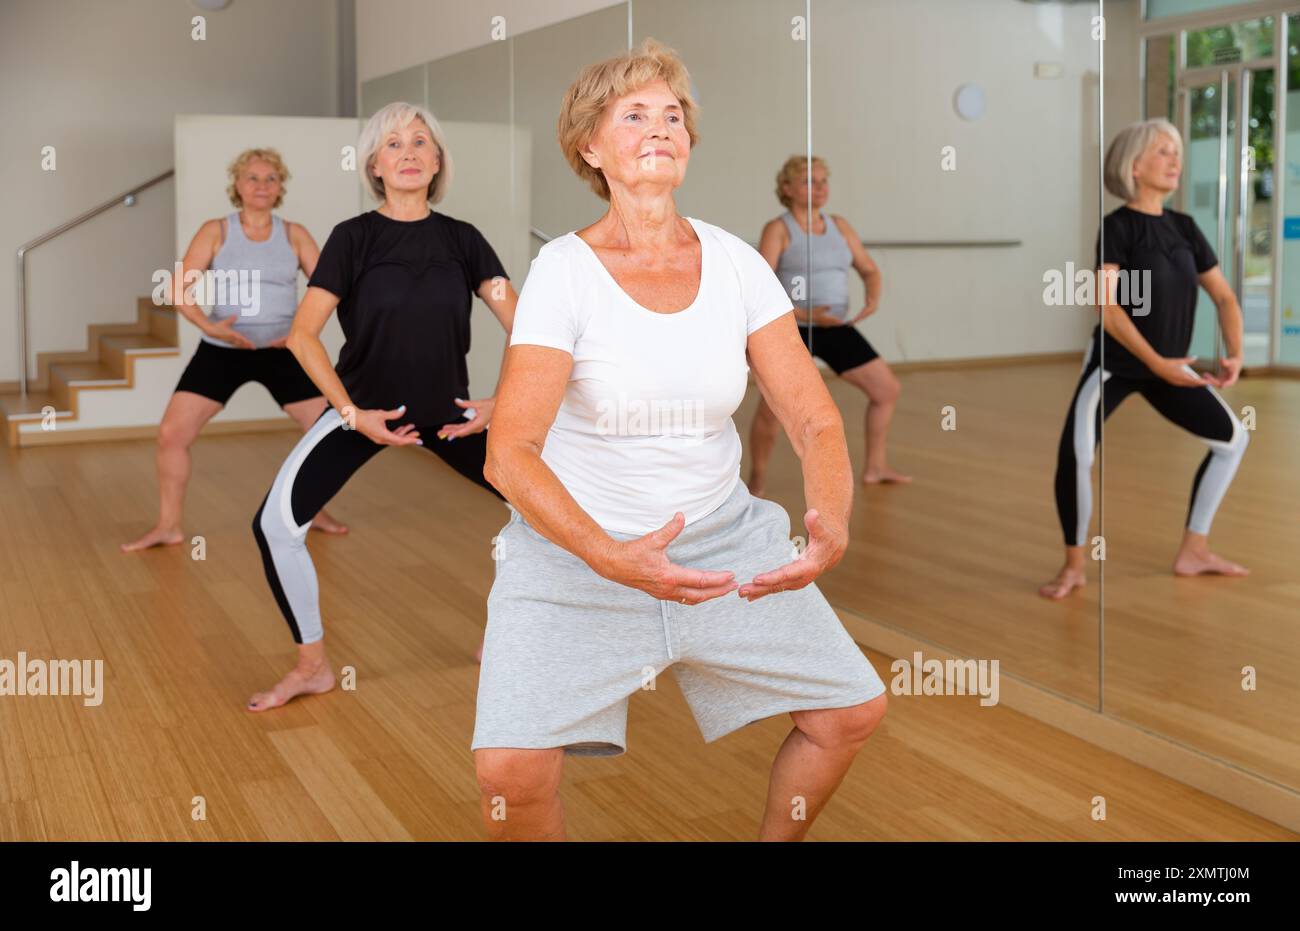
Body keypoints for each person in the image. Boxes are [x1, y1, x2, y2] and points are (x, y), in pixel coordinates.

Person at [472, 39, 887, 841]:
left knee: (850, 709)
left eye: (673, 116)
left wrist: (829, 516)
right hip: (573, 555)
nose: (660, 127)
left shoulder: (736, 264)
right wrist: (604, 554)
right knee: (509, 774)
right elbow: (509, 450)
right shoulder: (564, 270)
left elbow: (813, 415)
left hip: (721, 541)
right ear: (591, 146)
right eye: (634, 115)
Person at [248, 102, 517, 709]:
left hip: (449, 417)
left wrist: (500, 401)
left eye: (422, 141)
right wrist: (349, 413)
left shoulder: (465, 240)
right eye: (393, 144)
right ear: (374, 164)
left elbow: (523, 327)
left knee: (545, 517)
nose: (409, 153)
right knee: (273, 525)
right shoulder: (353, 238)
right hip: (364, 411)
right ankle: (312, 665)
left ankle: (507, 634)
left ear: (438, 160)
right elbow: (302, 334)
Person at [1040, 118, 1249, 600]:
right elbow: (1109, 309)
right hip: (1118, 364)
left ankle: (1194, 550)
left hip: (1171, 365)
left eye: (1176, 152)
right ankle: (1073, 566)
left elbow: (1224, 297)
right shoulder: (1118, 228)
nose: (1175, 160)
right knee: (1076, 454)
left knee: (1233, 441)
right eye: (1162, 152)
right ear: (1133, 167)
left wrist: (1234, 354)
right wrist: (1155, 362)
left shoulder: (1185, 228)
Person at [123, 148, 344, 552]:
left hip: (283, 350)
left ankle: (314, 512)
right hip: (222, 349)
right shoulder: (216, 231)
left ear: (280, 188)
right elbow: (176, 289)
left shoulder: (295, 234)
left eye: (270, 179)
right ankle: (169, 525)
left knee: (325, 434)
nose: (261, 186)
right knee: (172, 434)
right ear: (237, 186)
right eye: (253, 178)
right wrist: (209, 326)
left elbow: (328, 289)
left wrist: (301, 329)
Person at [747, 155, 908, 497]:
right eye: (809, 181)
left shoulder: (840, 226)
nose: (818, 188)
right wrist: (806, 316)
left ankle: (876, 466)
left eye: (823, 181)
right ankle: (757, 480)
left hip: (834, 325)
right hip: (791, 327)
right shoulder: (778, 229)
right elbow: (760, 285)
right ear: (788, 188)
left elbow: (869, 268)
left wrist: (872, 298)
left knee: (886, 390)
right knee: (772, 409)